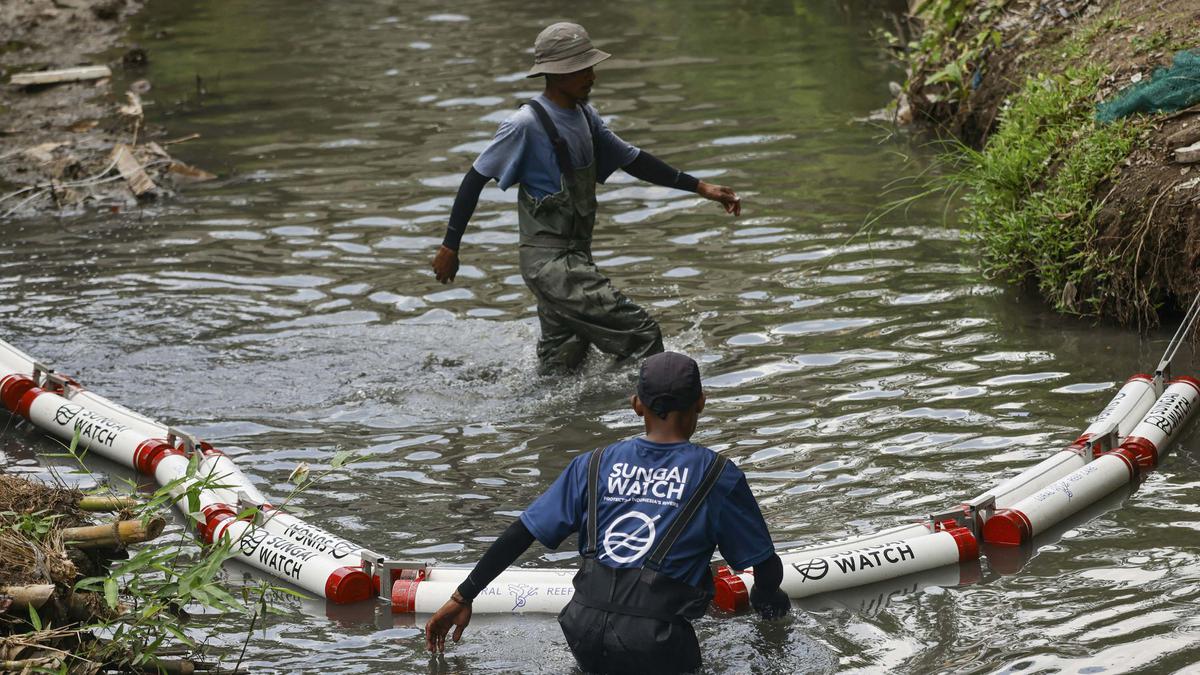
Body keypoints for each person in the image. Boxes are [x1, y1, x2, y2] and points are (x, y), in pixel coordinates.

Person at [424, 351, 790, 674]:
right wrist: (768, 604)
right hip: (658, 643)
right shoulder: (718, 476)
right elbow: (765, 563)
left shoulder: (592, 464)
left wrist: (463, 597)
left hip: (582, 628)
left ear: (636, 405)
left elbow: (523, 531)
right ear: (701, 403)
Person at [430, 22, 743, 374]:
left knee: (563, 366)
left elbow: (633, 159)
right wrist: (450, 246)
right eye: (581, 69)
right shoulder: (524, 124)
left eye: (590, 66)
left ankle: (561, 425)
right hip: (550, 264)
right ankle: (647, 409)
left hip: (575, 258)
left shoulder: (585, 116)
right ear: (557, 74)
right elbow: (474, 178)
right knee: (642, 335)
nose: (591, 76)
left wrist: (701, 188)